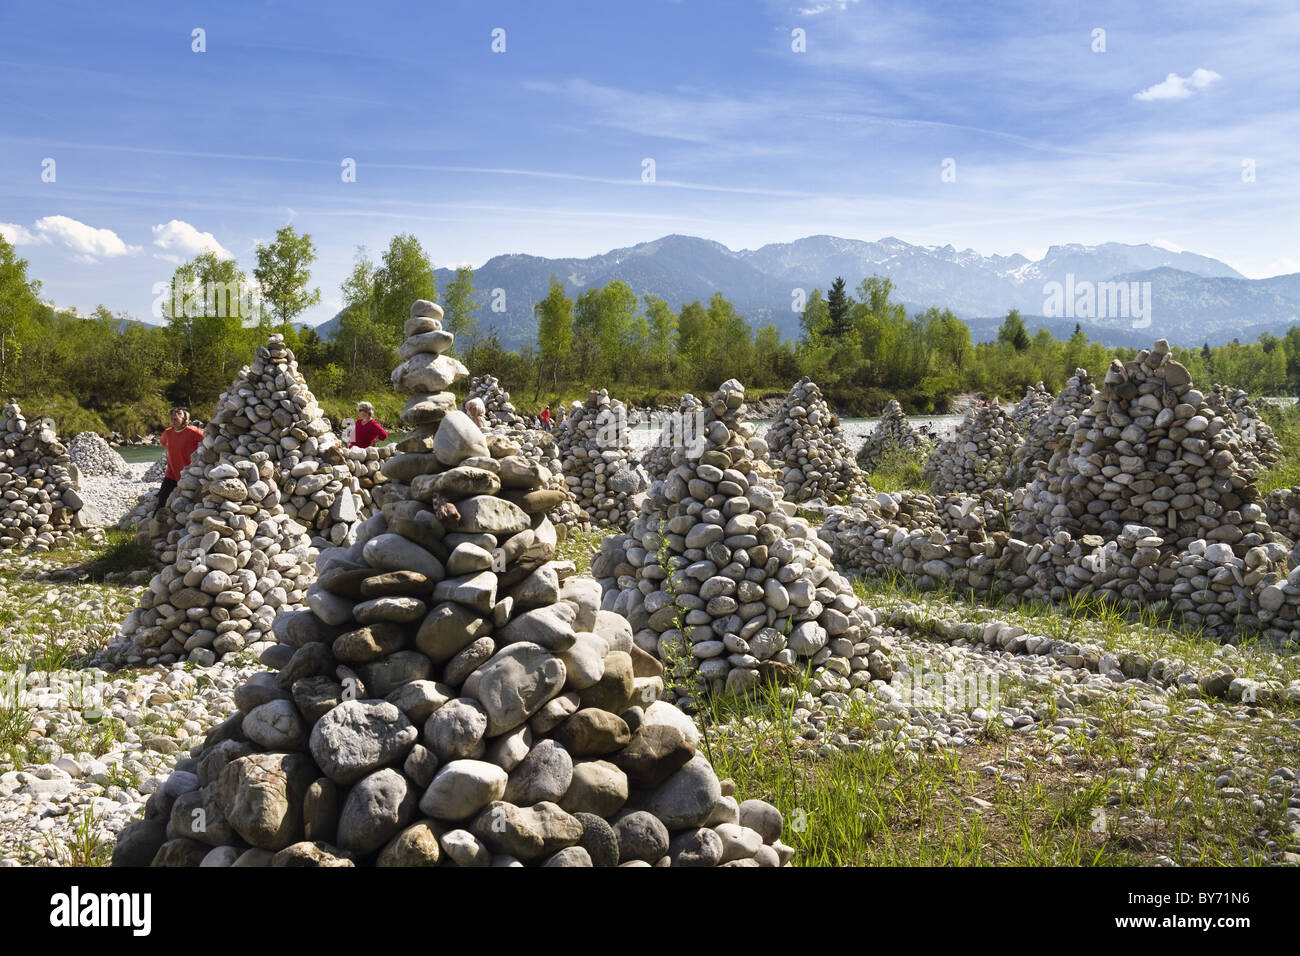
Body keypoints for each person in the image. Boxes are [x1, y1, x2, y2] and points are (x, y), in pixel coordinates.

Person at [156, 407, 203, 517]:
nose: (173, 421)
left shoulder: (193, 432)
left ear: (184, 419)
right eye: (171, 419)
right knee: (162, 498)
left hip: (188, 472)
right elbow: (163, 442)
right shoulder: (168, 433)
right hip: (172, 472)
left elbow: (208, 441)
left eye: (176, 419)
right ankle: (156, 523)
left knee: (190, 501)